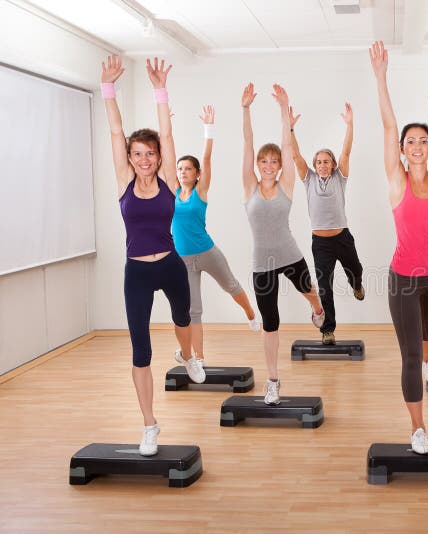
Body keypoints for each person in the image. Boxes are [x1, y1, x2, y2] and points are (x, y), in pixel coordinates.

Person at [101, 55, 205, 456]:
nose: (144, 160)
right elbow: (115, 131)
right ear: (130, 158)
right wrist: (107, 88)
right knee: (140, 350)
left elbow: (166, 129)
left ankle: (188, 355)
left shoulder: (165, 181)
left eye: (150, 154)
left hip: (171, 265)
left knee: (183, 318)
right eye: (137, 154)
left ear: (160, 158)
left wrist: (160, 88)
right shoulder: (125, 181)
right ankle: (149, 424)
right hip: (137, 273)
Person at [369, 41, 428, 455]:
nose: (417, 146)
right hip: (403, 279)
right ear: (403, 150)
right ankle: (418, 428)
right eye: (411, 142)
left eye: (424, 141)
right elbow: (388, 126)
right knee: (408, 356)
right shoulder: (397, 181)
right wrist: (381, 78)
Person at [241, 82, 325, 405]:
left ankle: (317, 310)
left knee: (312, 294)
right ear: (258, 166)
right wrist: (246, 110)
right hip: (261, 263)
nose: (269, 166)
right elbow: (247, 145)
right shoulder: (248, 186)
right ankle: (273, 379)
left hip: (289, 254)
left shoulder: (287, 184)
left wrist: (283, 110)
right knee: (270, 322)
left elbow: (287, 149)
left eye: (274, 162)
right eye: (264, 162)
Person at [171, 105, 260, 367]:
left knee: (231, 285)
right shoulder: (173, 193)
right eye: (180, 169)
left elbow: (207, 159)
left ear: (197, 174)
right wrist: (168, 128)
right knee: (193, 311)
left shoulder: (201, 191)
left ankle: (250, 313)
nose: (183, 172)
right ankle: (198, 359)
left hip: (207, 252)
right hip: (183, 260)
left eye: (188, 169)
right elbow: (167, 157)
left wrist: (208, 130)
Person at [289, 102, 365, 346]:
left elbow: (346, 151)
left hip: (342, 237)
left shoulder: (340, 178)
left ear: (332, 164)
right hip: (320, 242)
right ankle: (327, 331)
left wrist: (350, 125)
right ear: (315, 165)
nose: (322, 165)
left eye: (326, 161)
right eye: (319, 161)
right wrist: (290, 130)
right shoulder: (308, 179)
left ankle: (357, 285)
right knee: (325, 287)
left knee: (356, 269)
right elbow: (295, 156)